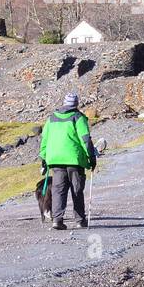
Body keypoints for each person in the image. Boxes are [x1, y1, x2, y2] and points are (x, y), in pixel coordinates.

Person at [38, 92, 97, 230]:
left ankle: (57, 220)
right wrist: (91, 158)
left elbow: (44, 140)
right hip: (74, 160)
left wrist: (43, 158)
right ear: (76, 104)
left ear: (64, 103)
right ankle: (80, 220)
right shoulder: (78, 117)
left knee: (58, 190)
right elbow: (85, 140)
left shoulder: (51, 118)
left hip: (56, 160)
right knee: (76, 189)